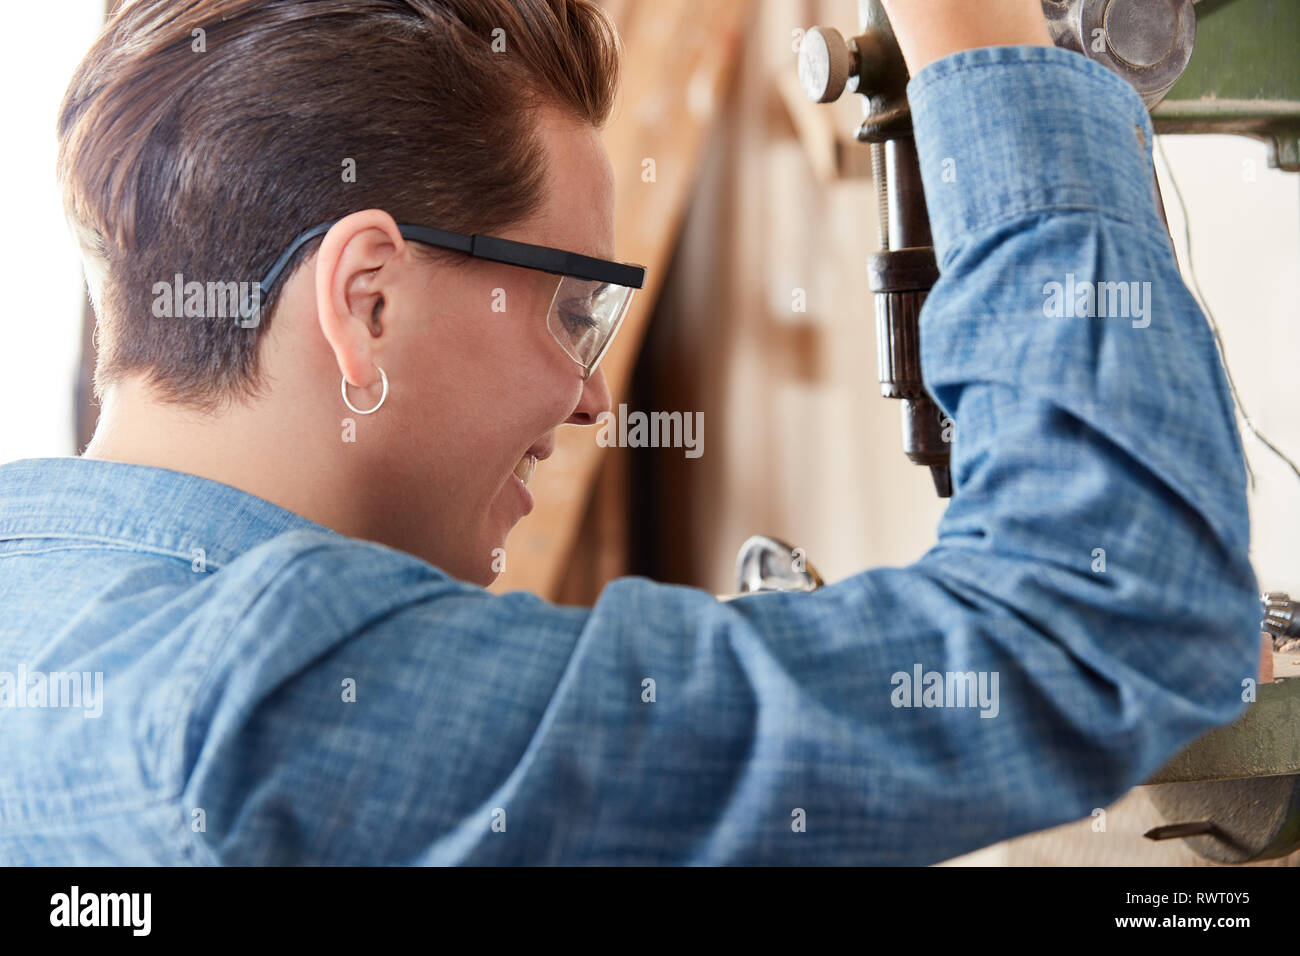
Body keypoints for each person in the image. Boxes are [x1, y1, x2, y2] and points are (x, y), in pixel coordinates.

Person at [0, 0, 1259, 865]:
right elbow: (1112, 618)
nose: (593, 394)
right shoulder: (285, 691)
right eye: (570, 307)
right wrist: (980, 45)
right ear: (365, 297)